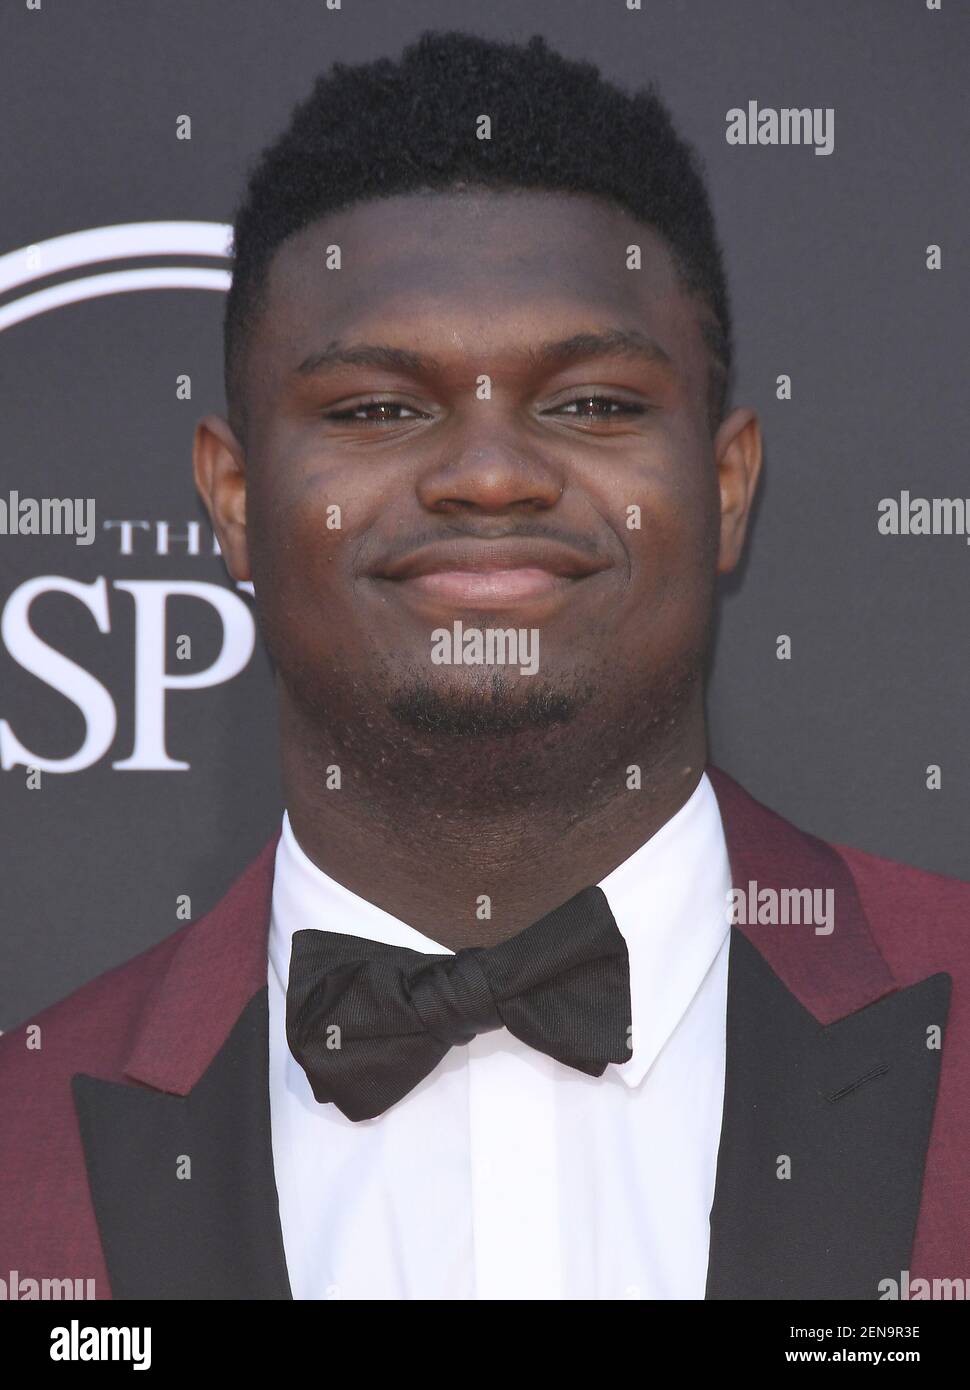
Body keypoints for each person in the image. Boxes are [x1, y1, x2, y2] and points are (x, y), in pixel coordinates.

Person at [1, 29, 967, 1302]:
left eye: (592, 403)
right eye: (376, 410)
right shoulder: (25, 1147)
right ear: (233, 502)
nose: (492, 473)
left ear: (726, 487)